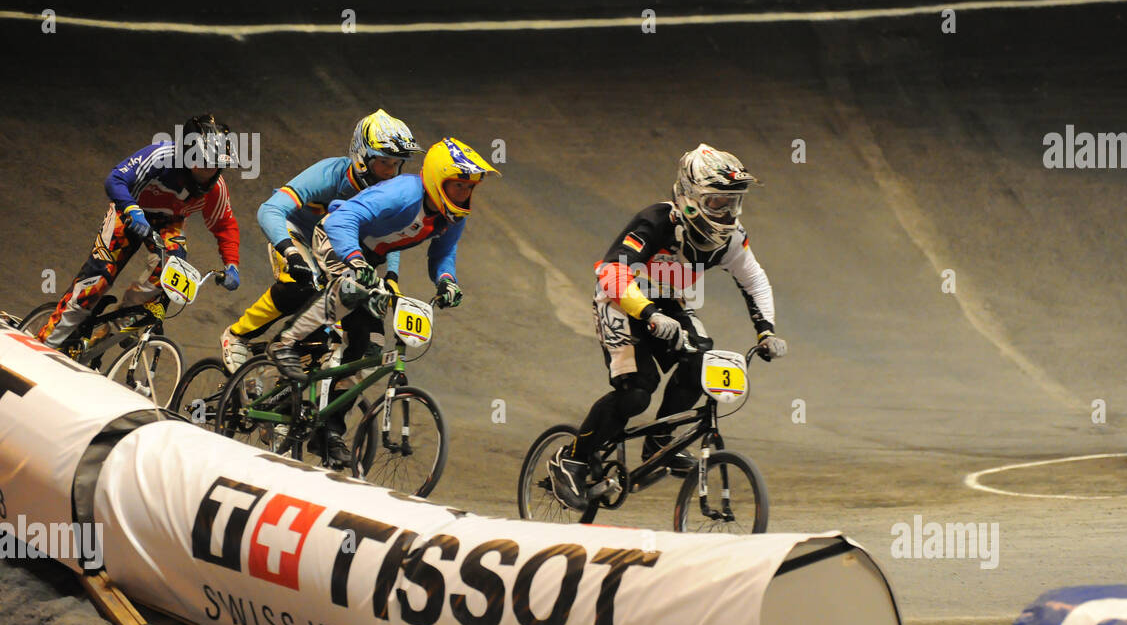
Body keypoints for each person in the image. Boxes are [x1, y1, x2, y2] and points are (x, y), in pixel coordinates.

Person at [547, 143, 788, 509]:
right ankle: (572, 459)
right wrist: (646, 313)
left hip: (669, 306)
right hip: (622, 303)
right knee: (637, 392)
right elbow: (611, 272)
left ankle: (659, 441)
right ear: (690, 198)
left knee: (699, 362)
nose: (727, 213)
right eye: (717, 203)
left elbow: (754, 280)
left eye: (734, 202)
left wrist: (766, 331)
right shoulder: (658, 221)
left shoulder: (732, 239)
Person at [265, 134, 499, 392]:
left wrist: (447, 281)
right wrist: (355, 260)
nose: (464, 194)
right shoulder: (403, 193)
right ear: (437, 180)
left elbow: (444, 253)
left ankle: (330, 424)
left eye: (469, 188)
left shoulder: (452, 216)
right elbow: (339, 220)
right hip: (337, 237)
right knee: (351, 290)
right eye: (458, 186)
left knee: (370, 350)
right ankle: (284, 343)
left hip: (366, 256)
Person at [219, 109, 421, 372]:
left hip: (340, 249)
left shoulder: (391, 192)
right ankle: (238, 335)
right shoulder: (329, 174)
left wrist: (391, 276)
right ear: (362, 159)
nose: (391, 173)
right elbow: (270, 209)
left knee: (361, 307)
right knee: (305, 283)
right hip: (299, 234)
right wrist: (290, 253)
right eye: (384, 163)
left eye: (397, 165)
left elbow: (391, 238)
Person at [38, 115, 241, 349]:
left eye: (216, 165)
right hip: (129, 212)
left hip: (168, 223)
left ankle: (123, 321)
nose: (210, 171)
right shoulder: (161, 157)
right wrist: (132, 210)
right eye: (204, 162)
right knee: (96, 281)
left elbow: (225, 225)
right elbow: (115, 179)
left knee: (173, 265)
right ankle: (45, 343)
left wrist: (232, 264)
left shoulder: (215, 189)